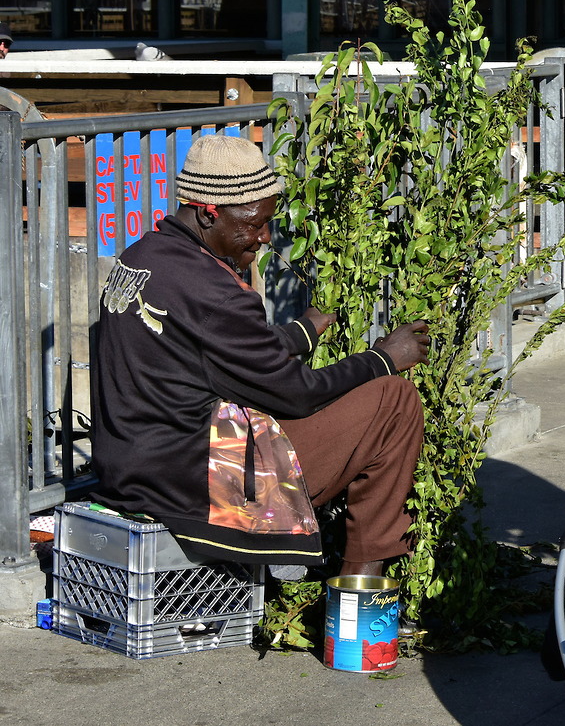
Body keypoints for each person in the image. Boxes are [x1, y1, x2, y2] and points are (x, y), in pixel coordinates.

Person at [92, 133, 432, 576]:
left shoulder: (141, 255)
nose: (265, 237)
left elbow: (214, 350)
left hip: (131, 468)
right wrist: (384, 357)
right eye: (254, 224)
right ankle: (359, 596)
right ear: (209, 211)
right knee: (394, 400)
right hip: (191, 486)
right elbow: (295, 393)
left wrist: (302, 331)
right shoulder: (217, 291)